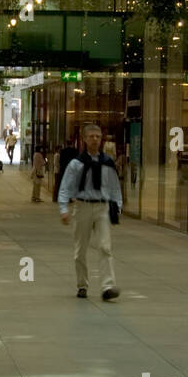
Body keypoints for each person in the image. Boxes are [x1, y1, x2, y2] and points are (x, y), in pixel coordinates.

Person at [58, 123, 123, 300]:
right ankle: (82, 285)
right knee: (81, 249)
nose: (95, 139)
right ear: (85, 139)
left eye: (98, 136)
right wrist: (64, 208)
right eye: (91, 136)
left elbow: (115, 187)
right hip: (82, 206)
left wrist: (117, 207)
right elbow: (65, 187)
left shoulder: (108, 163)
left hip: (102, 207)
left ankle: (108, 286)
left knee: (105, 247)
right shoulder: (76, 164)